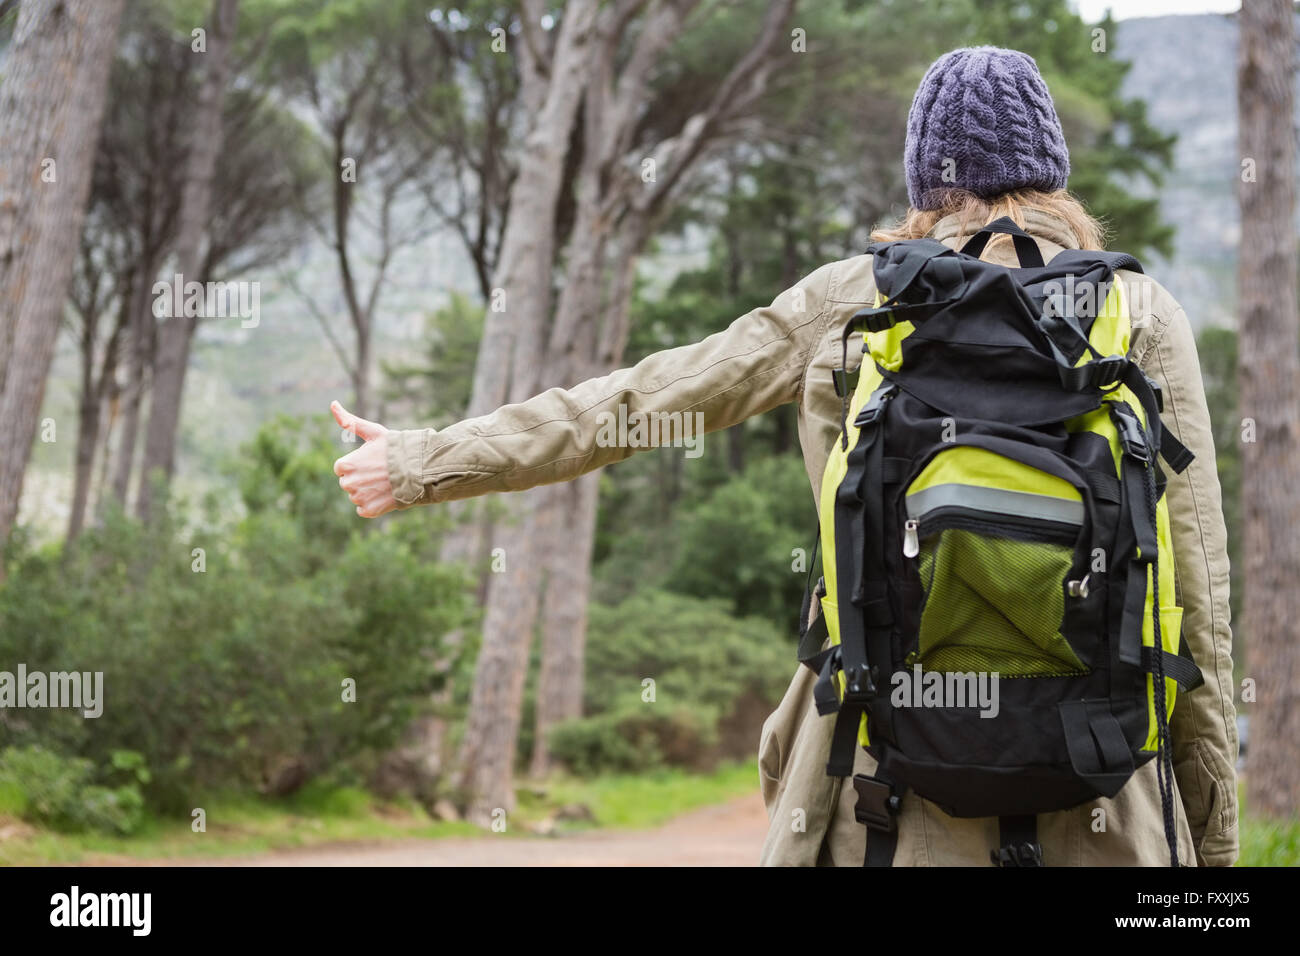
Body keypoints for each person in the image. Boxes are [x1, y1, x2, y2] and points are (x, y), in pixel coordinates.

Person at [331, 46, 1238, 867]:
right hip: (1105, 798)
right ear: (1052, 174)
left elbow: (640, 404)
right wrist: (1213, 844)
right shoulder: (1141, 315)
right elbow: (1197, 597)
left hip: (875, 788)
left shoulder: (853, 301)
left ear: (927, 177)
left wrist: (423, 459)